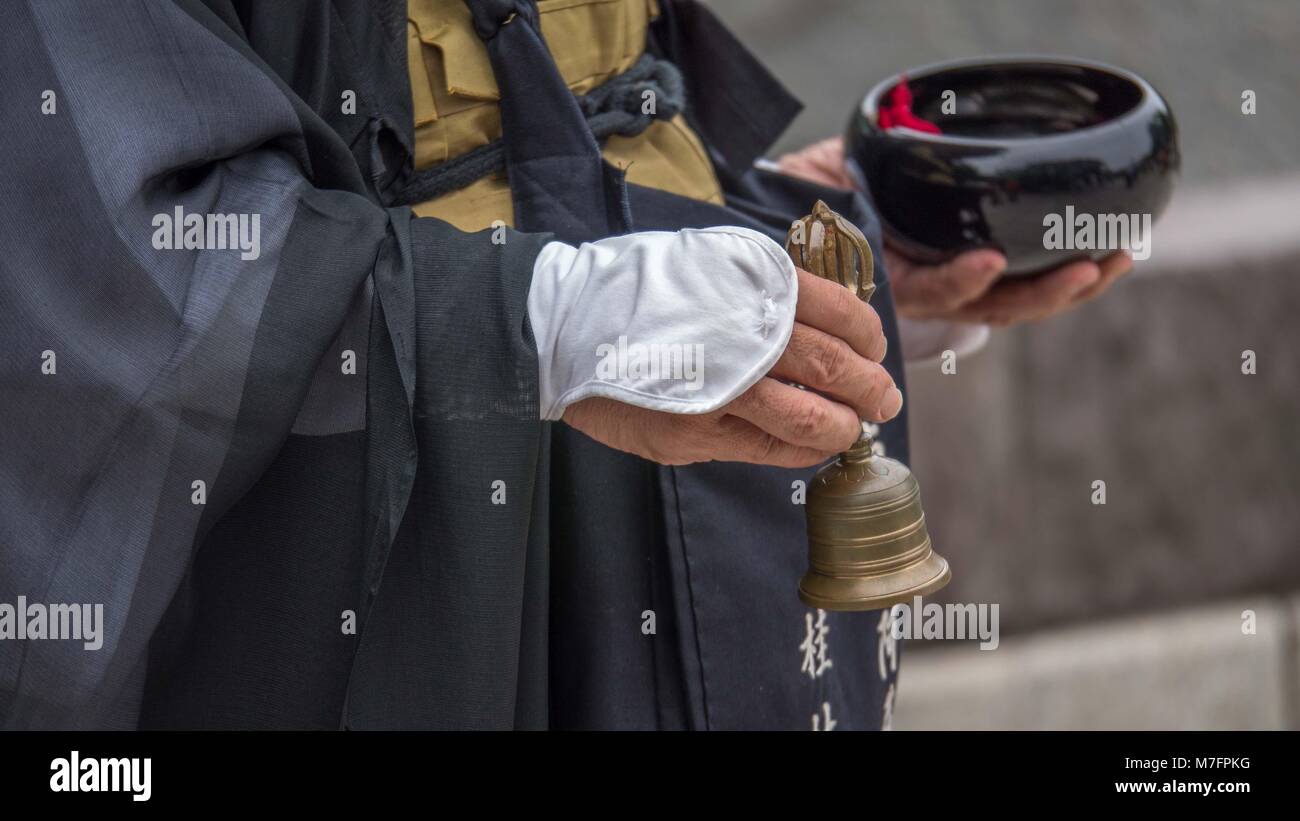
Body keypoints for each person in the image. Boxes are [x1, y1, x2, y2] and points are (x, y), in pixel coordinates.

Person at [0, 0, 1129, 730]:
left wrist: (808, 266)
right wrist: (545, 322)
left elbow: (580, 102)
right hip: (416, 555)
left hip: (677, 507)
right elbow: (124, 264)